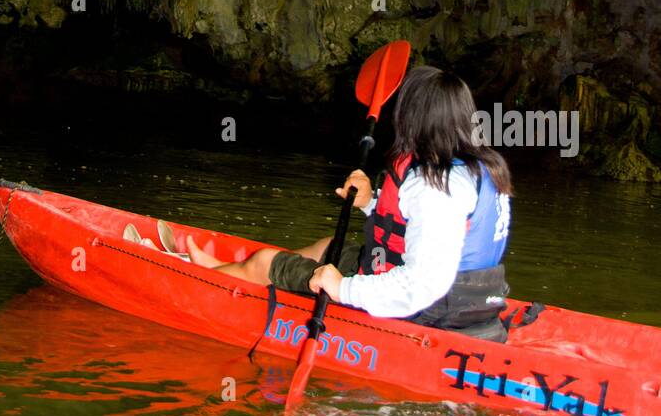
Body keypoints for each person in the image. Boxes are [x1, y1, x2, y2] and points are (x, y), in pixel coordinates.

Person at [186, 65, 513, 341]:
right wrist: (371, 203)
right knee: (326, 247)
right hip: (472, 303)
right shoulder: (478, 169)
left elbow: (424, 283)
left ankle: (204, 280)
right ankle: (217, 270)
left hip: (432, 311)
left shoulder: (434, 187)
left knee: (264, 261)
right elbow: (434, 232)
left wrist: (343, 289)